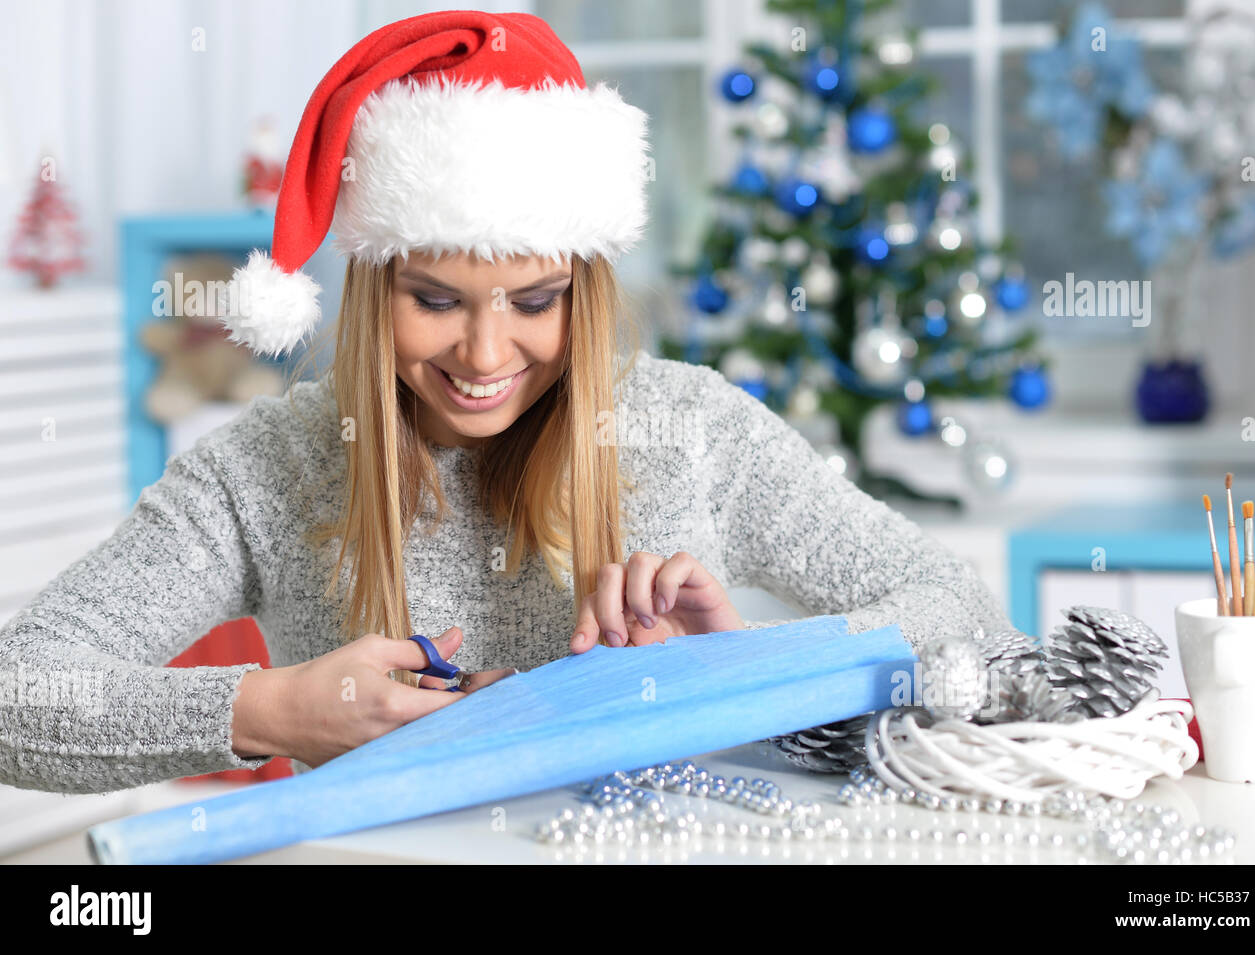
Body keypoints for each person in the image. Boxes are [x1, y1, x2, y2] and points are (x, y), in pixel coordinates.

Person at [0, 10, 1012, 795]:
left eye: (535, 302)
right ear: (372, 289)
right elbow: (19, 695)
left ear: (585, 287)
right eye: (434, 299)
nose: (485, 354)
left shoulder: (692, 430)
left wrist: (744, 669)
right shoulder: (270, 462)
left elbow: (963, 612)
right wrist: (269, 709)